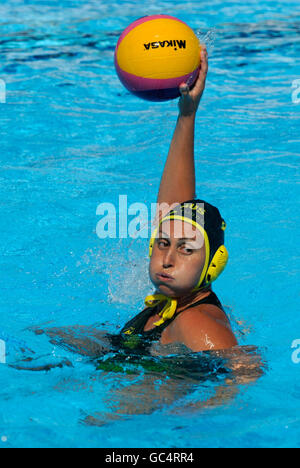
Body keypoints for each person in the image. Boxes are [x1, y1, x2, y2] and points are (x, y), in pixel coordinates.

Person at [118, 45, 238, 353]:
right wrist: (187, 114)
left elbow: (246, 374)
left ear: (213, 266)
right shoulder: (171, 302)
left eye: (186, 249)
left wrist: (187, 405)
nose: (168, 259)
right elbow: (173, 211)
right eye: (163, 243)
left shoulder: (196, 321)